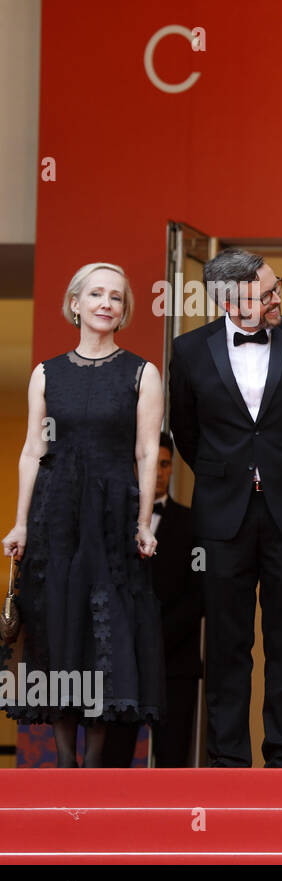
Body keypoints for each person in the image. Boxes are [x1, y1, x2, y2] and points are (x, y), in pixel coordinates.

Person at [170, 249, 282, 768]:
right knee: (226, 644)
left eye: (275, 286)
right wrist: (230, 478)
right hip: (222, 517)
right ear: (227, 301)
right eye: (266, 294)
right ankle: (226, 764)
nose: (277, 298)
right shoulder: (189, 350)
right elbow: (186, 432)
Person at [2, 263, 164, 767]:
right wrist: (21, 522)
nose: (105, 303)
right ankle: (64, 763)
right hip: (56, 514)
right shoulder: (46, 373)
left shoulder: (142, 372)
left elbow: (145, 452)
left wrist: (141, 521)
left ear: (124, 310)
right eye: (95, 294)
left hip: (113, 514)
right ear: (75, 303)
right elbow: (32, 450)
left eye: (116, 297)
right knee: (56, 626)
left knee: (104, 629)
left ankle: (92, 768)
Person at [103, 433, 204, 767]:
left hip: (175, 665)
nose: (159, 472)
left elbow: (198, 597)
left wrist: (155, 639)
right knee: (113, 762)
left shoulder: (193, 526)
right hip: (122, 664)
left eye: (165, 464)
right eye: (151, 463)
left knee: (173, 763)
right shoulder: (112, 524)